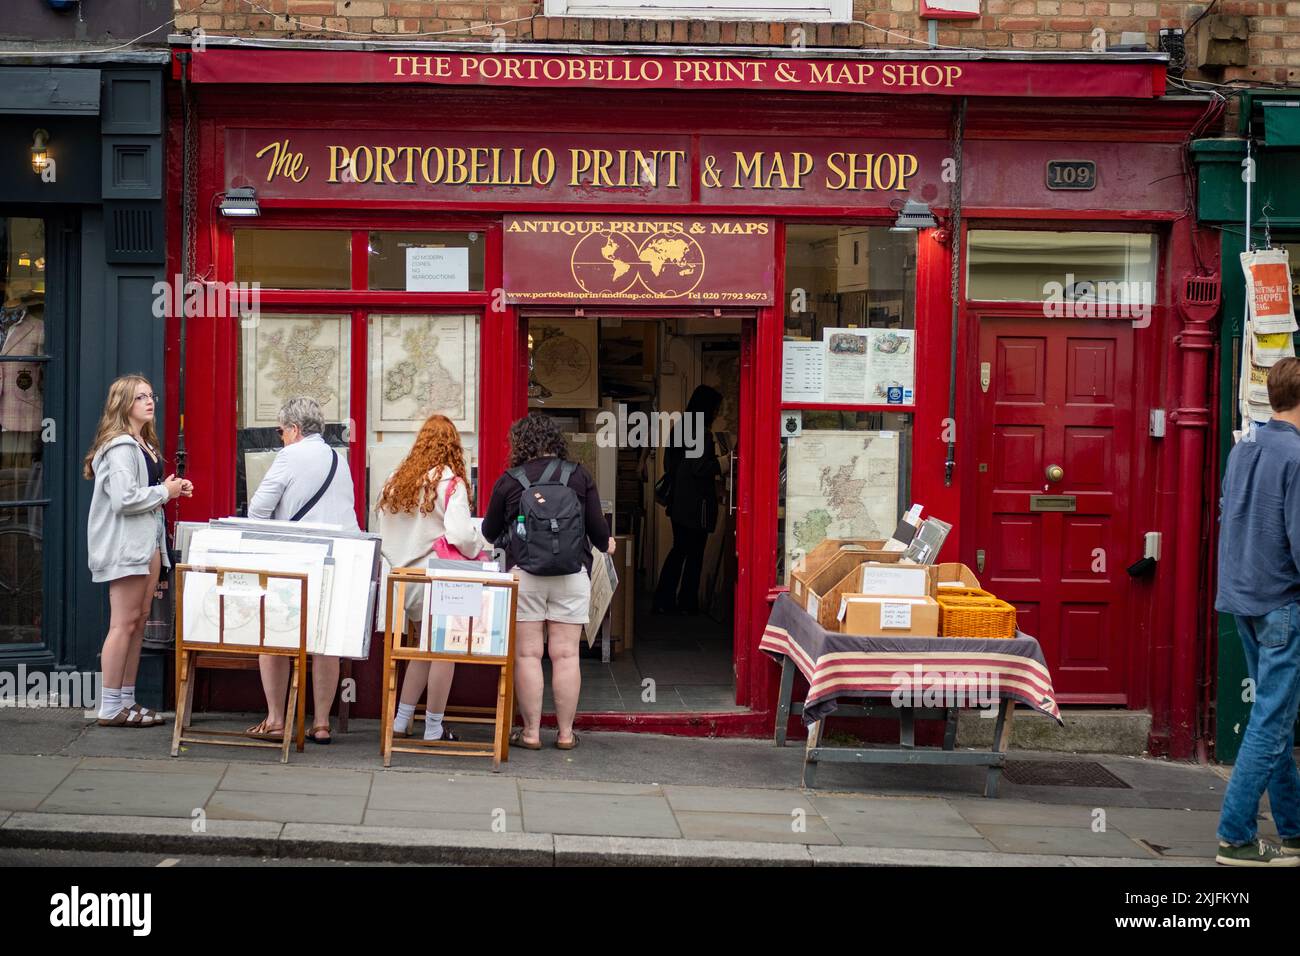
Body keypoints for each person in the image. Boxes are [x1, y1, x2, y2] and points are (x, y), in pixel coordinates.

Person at [481, 414, 613, 750]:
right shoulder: (578, 475)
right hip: (571, 575)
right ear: (556, 441)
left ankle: (531, 733)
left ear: (520, 443)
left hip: (525, 575)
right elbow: (599, 531)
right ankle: (566, 734)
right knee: (566, 655)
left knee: (528, 654)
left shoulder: (511, 480)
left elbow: (488, 531)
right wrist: (607, 543)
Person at [1214, 356, 1300, 867]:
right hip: (1280, 603)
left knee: (1277, 717)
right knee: (1271, 721)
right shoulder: (1297, 456)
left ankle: (1292, 830)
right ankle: (1235, 835)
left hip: (1243, 596)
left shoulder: (1244, 448)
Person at [246, 397, 359, 745]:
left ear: (294, 429)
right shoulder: (338, 460)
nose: (280, 438)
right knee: (326, 643)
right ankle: (321, 723)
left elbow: (257, 511)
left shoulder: (289, 456)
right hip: (338, 560)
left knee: (274, 638)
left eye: (281, 431)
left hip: (293, 561)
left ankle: (277, 719)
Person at [84, 374, 193, 727]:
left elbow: (143, 492)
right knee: (124, 623)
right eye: (139, 397)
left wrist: (169, 488)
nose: (149, 402)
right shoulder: (120, 447)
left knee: (138, 622)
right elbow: (124, 498)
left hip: (147, 544)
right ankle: (110, 705)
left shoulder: (142, 443)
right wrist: (165, 493)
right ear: (122, 405)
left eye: (151, 396)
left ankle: (126, 701)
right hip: (126, 546)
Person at [374, 414, 485, 743]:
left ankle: (401, 720)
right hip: (435, 579)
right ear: (452, 447)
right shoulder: (451, 483)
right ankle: (434, 726)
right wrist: (479, 545)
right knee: (444, 652)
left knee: (421, 648)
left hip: (399, 579)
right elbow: (463, 535)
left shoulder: (397, 479)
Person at [654, 385, 726, 615]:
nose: (717, 413)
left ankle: (665, 600)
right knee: (693, 553)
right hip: (696, 504)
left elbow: (670, 465)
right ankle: (686, 603)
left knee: (680, 550)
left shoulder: (681, 427)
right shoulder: (700, 432)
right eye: (716, 408)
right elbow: (700, 467)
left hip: (678, 502)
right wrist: (726, 461)